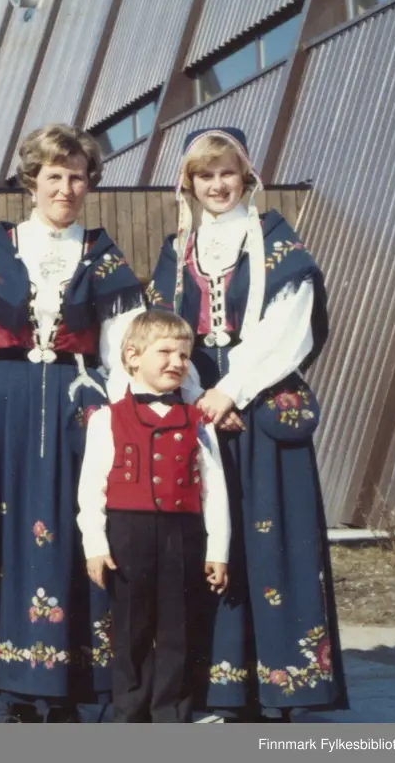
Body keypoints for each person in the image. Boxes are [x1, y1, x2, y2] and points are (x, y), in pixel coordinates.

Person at [0, 123, 145, 723]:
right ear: (32, 181)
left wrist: (124, 423)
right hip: (2, 413)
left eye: (77, 176)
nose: (66, 188)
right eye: (54, 175)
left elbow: (124, 349)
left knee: (78, 533)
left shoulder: (103, 257)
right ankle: (16, 688)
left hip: (82, 413)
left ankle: (71, 683)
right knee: (3, 540)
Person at [148, 126, 347, 722]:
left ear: (246, 176)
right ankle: (226, 688)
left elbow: (290, 327)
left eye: (226, 173)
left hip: (261, 417)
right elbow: (162, 329)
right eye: (204, 176)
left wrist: (231, 389)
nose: (216, 185)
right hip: (203, 417)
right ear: (189, 183)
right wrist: (199, 394)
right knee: (217, 544)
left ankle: (283, 686)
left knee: (273, 542)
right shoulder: (177, 251)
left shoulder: (278, 244)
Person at [77, 310, 231, 723]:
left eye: (184, 355)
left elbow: (214, 490)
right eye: (165, 352)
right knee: (130, 630)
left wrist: (218, 550)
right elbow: (91, 490)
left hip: (183, 535)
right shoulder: (108, 418)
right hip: (128, 534)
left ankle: (171, 717)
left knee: (177, 629)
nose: (177, 363)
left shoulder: (199, 421)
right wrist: (95, 545)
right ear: (132, 356)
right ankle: (129, 716)